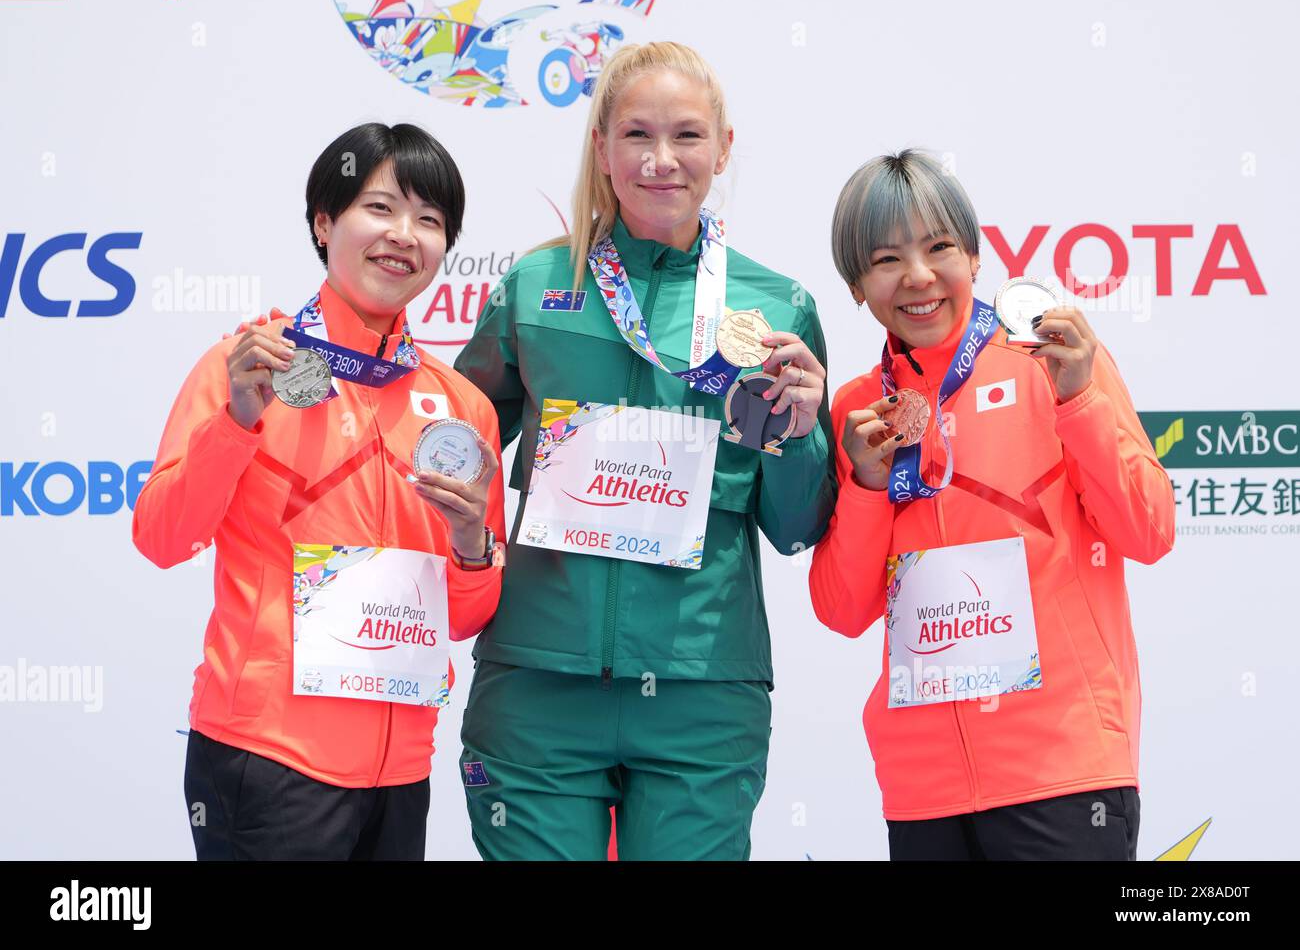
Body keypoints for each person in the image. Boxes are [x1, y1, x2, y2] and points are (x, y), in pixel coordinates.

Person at [453, 42, 837, 860]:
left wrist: (801, 436)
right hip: (539, 682)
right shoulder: (532, 287)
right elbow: (455, 443)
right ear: (601, 146)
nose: (662, 161)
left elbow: (798, 526)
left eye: (688, 136)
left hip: (701, 686)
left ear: (724, 148)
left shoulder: (777, 307)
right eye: (636, 135)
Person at [133, 123, 505, 860]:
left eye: (429, 220)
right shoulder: (248, 366)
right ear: (324, 222)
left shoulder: (464, 408)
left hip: (400, 776)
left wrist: (471, 546)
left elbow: (466, 619)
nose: (404, 235)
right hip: (267, 760)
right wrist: (239, 423)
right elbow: (163, 538)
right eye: (380, 208)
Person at [809, 149, 1175, 860]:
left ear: (975, 257)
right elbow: (840, 609)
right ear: (857, 285)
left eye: (939, 247)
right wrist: (865, 485)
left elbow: (1149, 529)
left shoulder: (1053, 363)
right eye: (886, 259)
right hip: (924, 789)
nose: (917, 276)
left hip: (1063, 771)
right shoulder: (859, 410)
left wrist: (1080, 401)